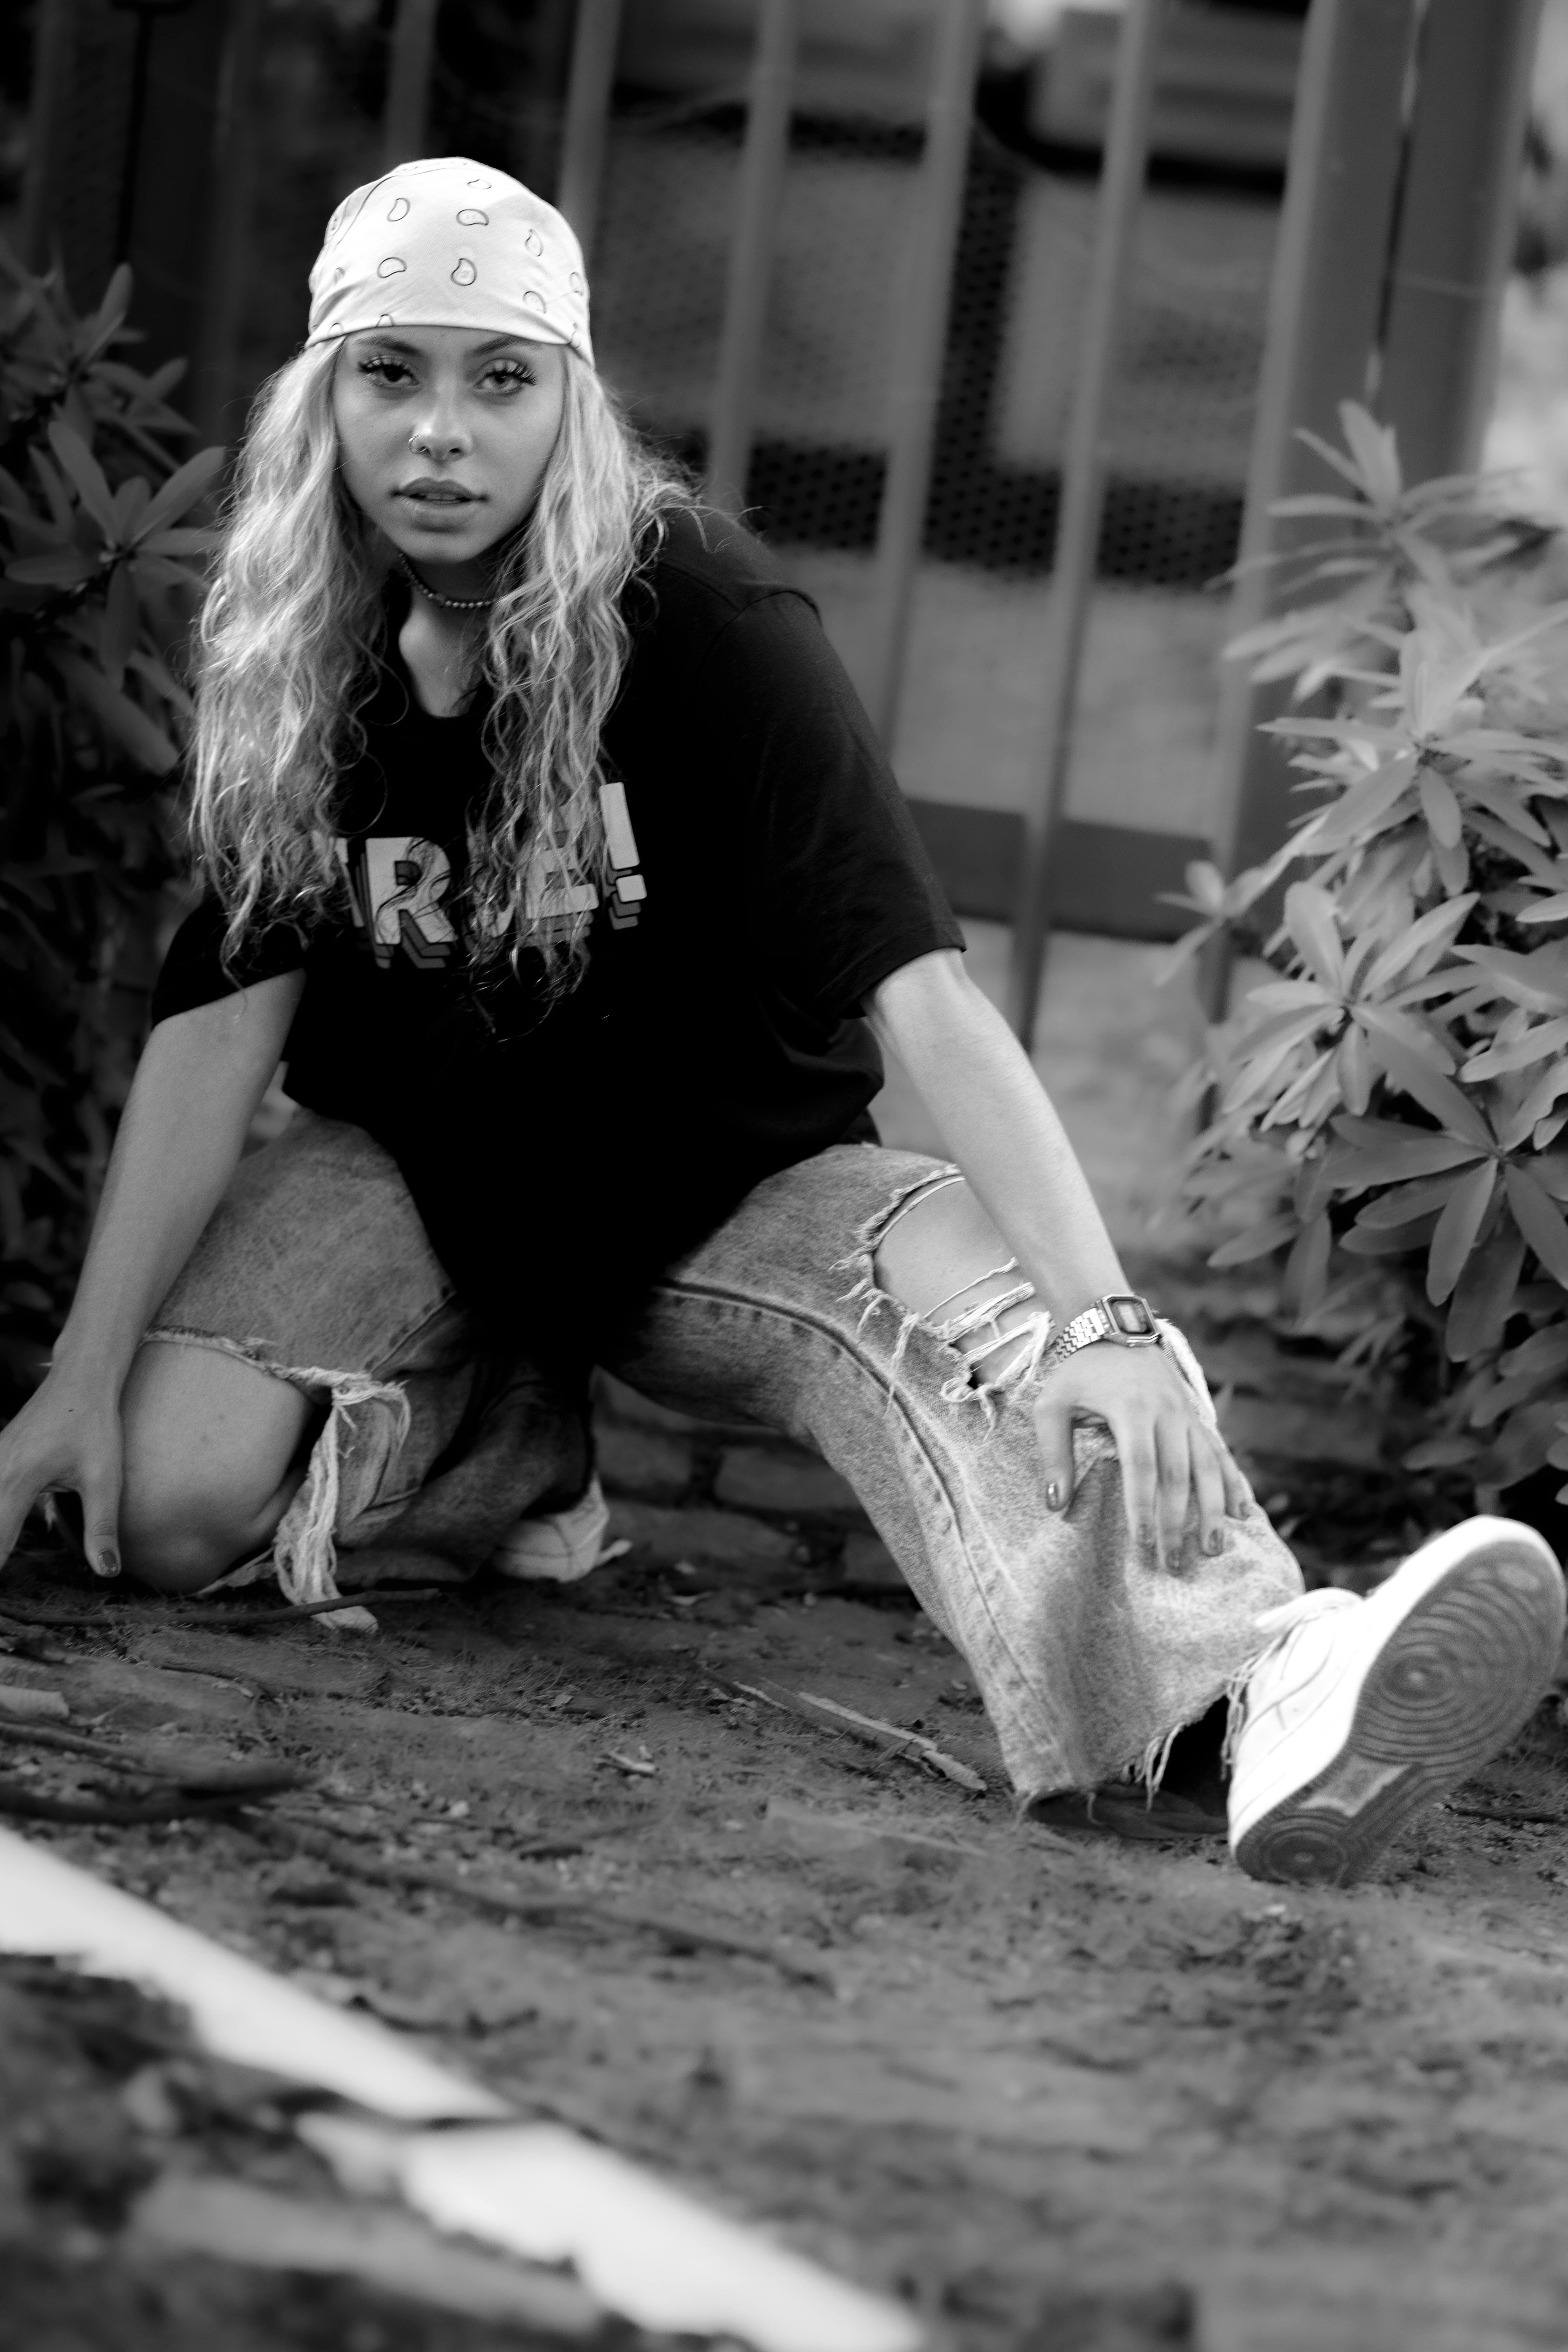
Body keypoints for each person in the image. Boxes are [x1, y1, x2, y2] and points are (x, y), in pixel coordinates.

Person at [0, 158, 1560, 1889]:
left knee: (996, 1345)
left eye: (497, 379)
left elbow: (927, 998)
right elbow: (223, 1026)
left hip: (729, 1194)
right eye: (393, 373)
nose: (439, 433)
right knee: (160, 1513)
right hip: (416, 1177)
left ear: (571, 405)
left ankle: (1270, 1683)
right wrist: (73, 1383)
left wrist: (1104, 1312)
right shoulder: (307, 637)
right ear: (325, 397)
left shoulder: (706, 619)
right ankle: (509, 1455)